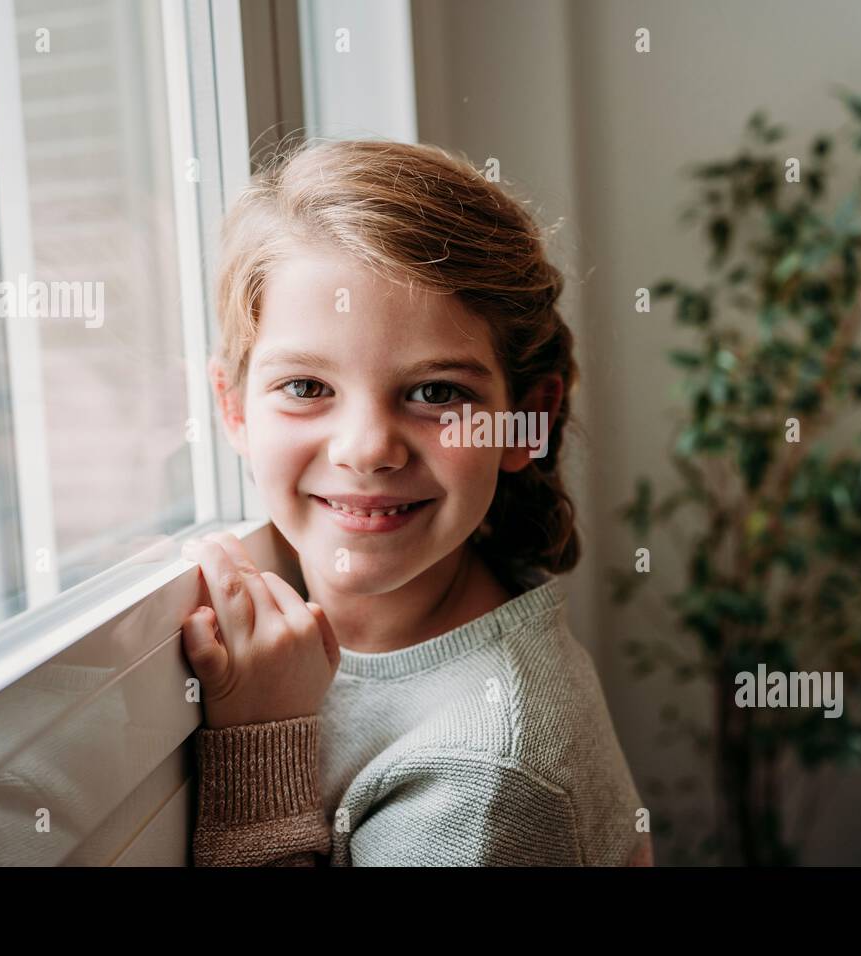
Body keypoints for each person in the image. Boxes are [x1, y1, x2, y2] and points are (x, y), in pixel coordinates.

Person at [179, 138, 652, 866]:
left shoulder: (483, 775)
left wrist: (260, 743)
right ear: (233, 409)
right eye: (307, 388)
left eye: (437, 393)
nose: (367, 448)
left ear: (527, 421)